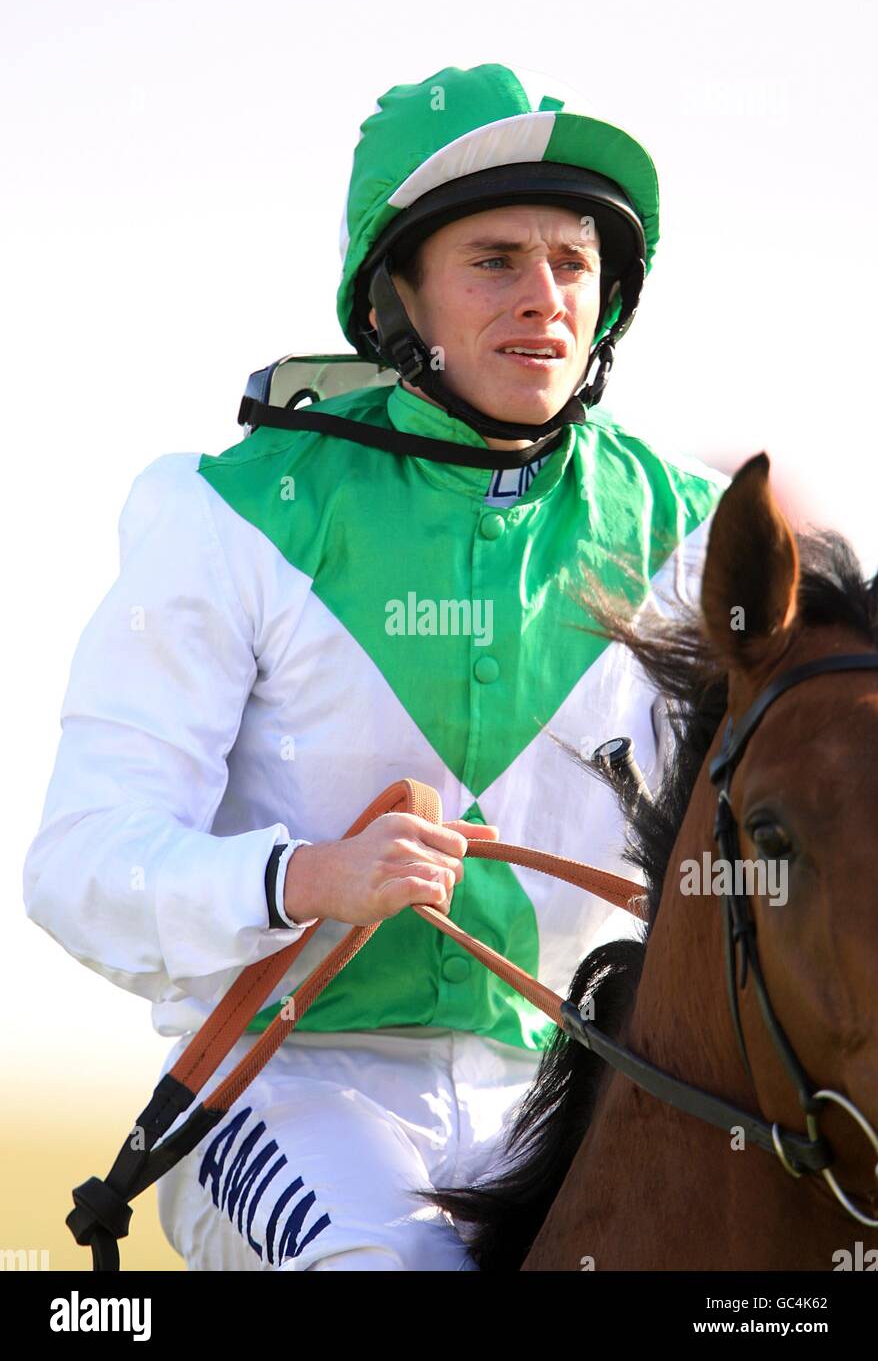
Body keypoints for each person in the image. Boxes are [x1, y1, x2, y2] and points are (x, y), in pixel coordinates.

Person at [23, 62, 727, 1271]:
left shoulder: (694, 534)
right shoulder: (223, 514)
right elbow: (77, 867)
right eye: (493, 261)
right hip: (282, 1081)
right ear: (398, 295)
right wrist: (304, 877)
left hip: (568, 1089)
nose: (544, 298)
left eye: (571, 263)